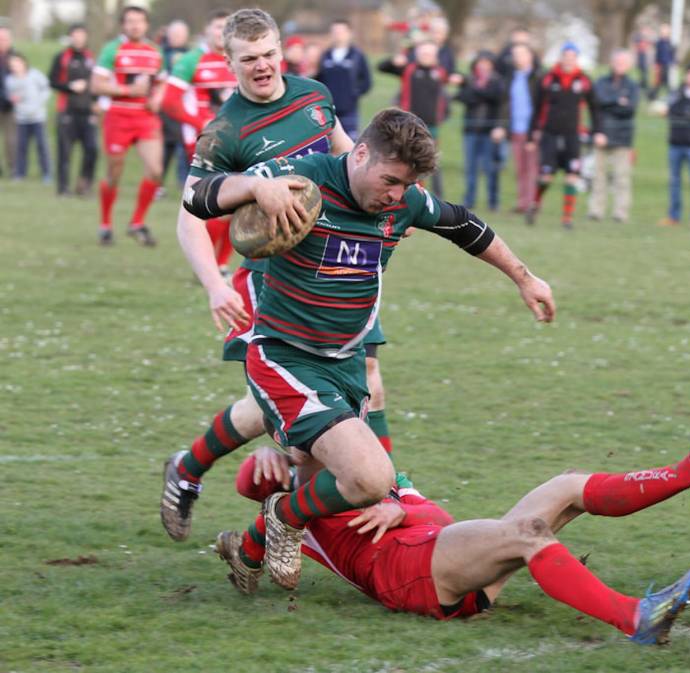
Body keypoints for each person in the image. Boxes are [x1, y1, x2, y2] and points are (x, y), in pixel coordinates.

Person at [182, 107, 556, 591]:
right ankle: (279, 515)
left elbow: (464, 225)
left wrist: (525, 279)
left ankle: (248, 549)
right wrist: (254, 187)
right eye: (390, 180)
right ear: (360, 155)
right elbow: (197, 196)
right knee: (371, 479)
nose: (397, 194)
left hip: (347, 365)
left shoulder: (403, 204)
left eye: (407, 185)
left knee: (321, 488)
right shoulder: (304, 177)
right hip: (286, 357)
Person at [215, 384, 690, 644]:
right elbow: (253, 494)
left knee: (566, 486)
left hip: (443, 555)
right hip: (409, 572)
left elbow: (422, 504)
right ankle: (636, 618)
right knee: (529, 533)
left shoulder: (368, 471)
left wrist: (397, 506)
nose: (342, 432)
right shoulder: (296, 495)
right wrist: (267, 462)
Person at [160, 8, 357, 544]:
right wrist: (214, 284)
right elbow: (188, 215)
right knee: (284, 408)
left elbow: (345, 157)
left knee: (342, 392)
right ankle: (315, 514)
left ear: (282, 51)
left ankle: (359, 503)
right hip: (274, 285)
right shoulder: (224, 132)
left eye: (270, 53)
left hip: (336, 271)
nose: (263, 65)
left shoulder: (315, 96)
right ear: (229, 63)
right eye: (249, 59)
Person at [161, 10, 237, 275]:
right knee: (218, 203)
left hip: (238, 140)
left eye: (227, 27)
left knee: (236, 204)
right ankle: (210, 266)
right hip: (203, 141)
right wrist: (198, 123)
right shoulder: (191, 60)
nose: (221, 32)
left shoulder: (237, 60)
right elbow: (169, 102)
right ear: (207, 30)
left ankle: (220, 264)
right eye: (217, 27)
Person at [91, 5, 165, 247]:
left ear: (146, 25)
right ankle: (105, 224)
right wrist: (128, 90)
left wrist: (157, 98)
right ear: (123, 25)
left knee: (155, 170)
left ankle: (137, 222)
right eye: (130, 21)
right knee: (114, 173)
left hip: (145, 118)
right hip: (118, 117)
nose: (135, 25)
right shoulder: (112, 49)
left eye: (139, 21)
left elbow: (162, 82)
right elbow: (96, 85)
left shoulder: (155, 51)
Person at [526, 43, 602, 229]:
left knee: (572, 175)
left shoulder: (584, 80)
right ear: (561, 58)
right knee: (546, 177)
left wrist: (597, 131)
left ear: (576, 59)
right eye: (565, 56)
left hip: (572, 135)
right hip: (549, 134)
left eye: (572, 57)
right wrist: (531, 135)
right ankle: (535, 204)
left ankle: (567, 218)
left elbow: (595, 108)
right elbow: (536, 109)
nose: (568, 60)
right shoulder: (547, 78)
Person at [377, 40, 458, 197]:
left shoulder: (440, 73)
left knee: (431, 160)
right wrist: (393, 61)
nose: (426, 56)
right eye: (423, 53)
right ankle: (411, 193)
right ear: (417, 55)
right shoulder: (408, 70)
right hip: (409, 125)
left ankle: (436, 197)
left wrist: (461, 79)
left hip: (432, 125)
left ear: (435, 56)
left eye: (429, 53)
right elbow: (382, 67)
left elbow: (462, 79)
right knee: (408, 159)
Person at [588, 49, 639, 224]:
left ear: (629, 65)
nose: (619, 66)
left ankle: (621, 212)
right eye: (617, 62)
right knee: (598, 176)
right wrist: (618, 101)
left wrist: (610, 103)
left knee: (621, 177)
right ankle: (596, 210)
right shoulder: (601, 82)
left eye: (623, 63)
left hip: (622, 137)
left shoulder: (632, 86)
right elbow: (598, 102)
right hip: (601, 133)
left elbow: (630, 109)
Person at [48, 24, 97, 197]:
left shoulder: (91, 57)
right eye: (76, 34)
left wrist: (96, 102)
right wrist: (70, 86)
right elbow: (52, 81)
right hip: (67, 110)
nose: (79, 38)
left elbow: (97, 82)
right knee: (65, 151)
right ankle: (63, 188)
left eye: (82, 34)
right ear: (71, 36)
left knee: (92, 149)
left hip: (88, 111)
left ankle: (84, 185)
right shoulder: (62, 57)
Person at [456, 50, 506, 211]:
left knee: (490, 168)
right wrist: (478, 93)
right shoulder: (470, 79)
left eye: (487, 63)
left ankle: (493, 202)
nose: (483, 66)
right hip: (471, 130)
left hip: (490, 131)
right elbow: (462, 97)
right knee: (470, 168)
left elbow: (497, 99)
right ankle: (469, 200)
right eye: (480, 63)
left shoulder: (497, 81)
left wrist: (475, 92)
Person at [659, 64, 690, 229]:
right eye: (689, 74)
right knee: (674, 181)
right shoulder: (676, 93)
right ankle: (674, 216)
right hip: (675, 143)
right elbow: (667, 110)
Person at [315, 19, 371, 140]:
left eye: (341, 31)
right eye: (335, 31)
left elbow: (366, 82)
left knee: (350, 144)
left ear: (349, 33)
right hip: (329, 110)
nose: (338, 35)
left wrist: (353, 94)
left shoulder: (357, 55)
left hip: (349, 111)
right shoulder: (325, 55)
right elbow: (319, 79)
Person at [502, 42, 538, 214]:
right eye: (515, 54)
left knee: (532, 169)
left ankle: (532, 203)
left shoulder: (537, 77)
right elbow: (505, 104)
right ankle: (522, 202)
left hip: (532, 130)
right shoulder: (511, 78)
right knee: (520, 169)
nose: (518, 58)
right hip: (515, 129)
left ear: (530, 56)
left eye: (521, 54)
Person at [4, 52, 51, 181]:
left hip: (37, 118)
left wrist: (39, 103)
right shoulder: (10, 80)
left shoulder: (34, 75)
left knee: (42, 146)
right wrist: (12, 99)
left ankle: (47, 173)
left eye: (16, 64)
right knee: (21, 147)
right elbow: (10, 95)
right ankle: (20, 173)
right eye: (12, 65)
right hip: (21, 118)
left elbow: (46, 88)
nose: (14, 67)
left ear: (23, 63)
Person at [160, 19, 190, 190]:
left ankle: (185, 182)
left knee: (184, 146)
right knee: (164, 148)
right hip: (163, 110)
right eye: (174, 34)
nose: (176, 37)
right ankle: (157, 185)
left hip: (183, 109)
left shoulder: (192, 56)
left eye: (180, 34)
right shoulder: (160, 54)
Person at [0, 25, 16, 177]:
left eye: (5, 38)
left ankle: (13, 168)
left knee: (11, 139)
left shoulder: (15, 57)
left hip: (10, 105)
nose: (2, 41)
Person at [652, 23, 675, 101]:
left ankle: (670, 94)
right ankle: (654, 95)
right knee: (658, 80)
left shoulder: (670, 43)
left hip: (667, 64)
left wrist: (672, 62)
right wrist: (656, 64)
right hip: (660, 64)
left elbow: (672, 54)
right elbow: (657, 54)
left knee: (666, 80)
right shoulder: (659, 43)